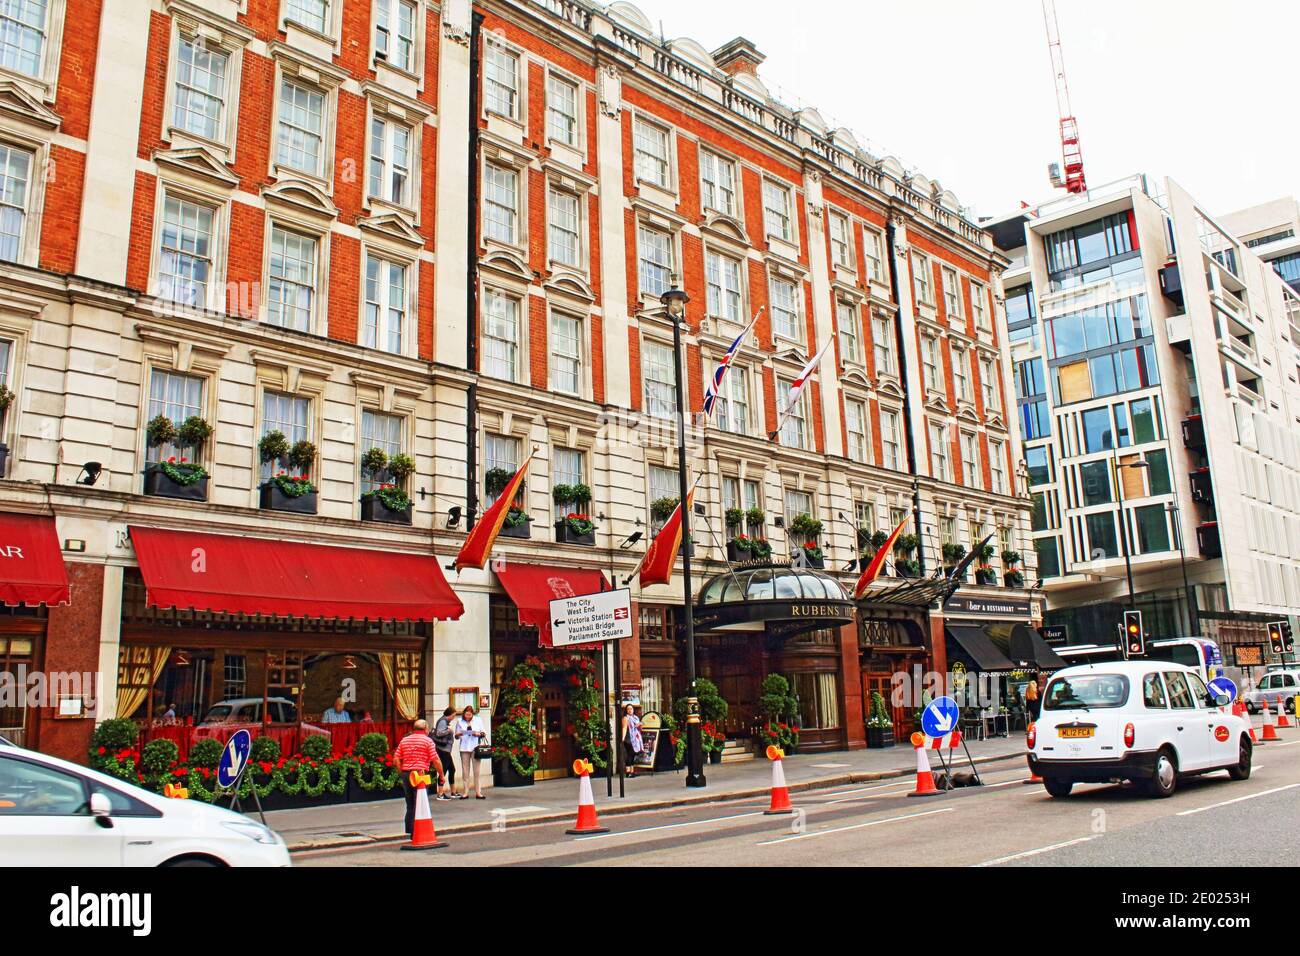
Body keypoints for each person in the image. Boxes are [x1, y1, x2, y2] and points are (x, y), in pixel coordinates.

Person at [394, 719, 445, 835]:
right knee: (420, 802)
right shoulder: (428, 741)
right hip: (420, 774)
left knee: (410, 803)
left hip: (407, 773)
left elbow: (396, 759)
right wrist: (441, 775)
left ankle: (410, 829)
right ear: (426, 729)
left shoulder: (405, 740)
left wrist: (401, 772)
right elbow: (435, 760)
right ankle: (418, 831)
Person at [454, 705, 486, 799]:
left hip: (475, 747)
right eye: (466, 714)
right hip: (464, 747)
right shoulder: (460, 721)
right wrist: (459, 734)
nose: (467, 716)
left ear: (472, 714)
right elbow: (456, 736)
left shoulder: (478, 720)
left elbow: (483, 733)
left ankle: (478, 792)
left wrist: (477, 734)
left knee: (477, 771)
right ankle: (465, 792)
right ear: (464, 714)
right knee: (465, 771)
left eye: (469, 715)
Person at [432, 706, 456, 800]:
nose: (453, 717)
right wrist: (449, 730)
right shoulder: (443, 721)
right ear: (449, 715)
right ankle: (440, 793)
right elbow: (439, 733)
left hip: (446, 749)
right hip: (443, 749)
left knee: (452, 769)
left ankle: (453, 791)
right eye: (453, 715)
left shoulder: (445, 721)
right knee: (444, 770)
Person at [621, 704, 643, 777]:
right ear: (626, 711)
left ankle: (632, 771)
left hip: (635, 738)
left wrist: (640, 725)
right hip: (628, 738)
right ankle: (628, 772)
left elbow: (640, 729)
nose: (630, 710)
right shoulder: (625, 718)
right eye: (628, 709)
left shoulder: (636, 718)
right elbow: (624, 728)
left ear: (633, 710)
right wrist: (623, 738)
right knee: (630, 754)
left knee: (633, 754)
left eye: (631, 709)